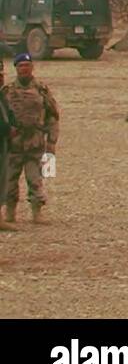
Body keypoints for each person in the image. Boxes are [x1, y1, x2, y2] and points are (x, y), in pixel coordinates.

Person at [2, 53, 59, 225]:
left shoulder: (42, 90)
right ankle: (10, 213)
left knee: (36, 179)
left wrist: (52, 142)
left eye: (27, 66)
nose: (24, 69)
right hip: (13, 145)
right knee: (9, 180)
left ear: (32, 67)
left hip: (35, 143)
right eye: (21, 66)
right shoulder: (7, 91)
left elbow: (53, 116)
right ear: (16, 69)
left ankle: (37, 213)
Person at [0, 62, 16, 232]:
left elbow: (8, 115)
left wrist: (13, 125)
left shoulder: (2, 95)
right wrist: (7, 128)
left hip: (4, 144)